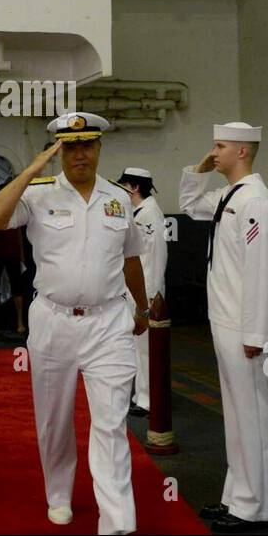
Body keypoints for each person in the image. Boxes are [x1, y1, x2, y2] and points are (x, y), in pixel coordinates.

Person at [0, 113, 150, 534]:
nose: (80, 154)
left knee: (110, 423)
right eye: (70, 147)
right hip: (53, 321)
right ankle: (58, 494)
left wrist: (143, 309)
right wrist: (32, 169)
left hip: (109, 322)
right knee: (54, 419)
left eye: (87, 145)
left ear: (99, 148)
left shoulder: (118, 199)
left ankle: (117, 521)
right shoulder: (38, 193)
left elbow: (130, 258)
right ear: (58, 151)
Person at [179, 121, 268, 533]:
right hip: (223, 320)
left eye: (219, 146)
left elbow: (260, 273)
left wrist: (256, 334)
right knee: (236, 416)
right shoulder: (228, 195)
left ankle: (257, 506)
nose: (214, 151)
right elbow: (188, 204)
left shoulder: (255, 201)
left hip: (243, 327)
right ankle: (237, 497)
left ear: (242, 151)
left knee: (252, 415)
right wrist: (198, 168)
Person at [116, 167, 167, 416]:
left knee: (146, 350)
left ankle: (147, 400)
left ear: (134, 188)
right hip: (133, 292)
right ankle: (140, 395)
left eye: (123, 185)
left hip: (146, 293)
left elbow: (156, 257)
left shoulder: (150, 215)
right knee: (136, 348)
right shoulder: (138, 212)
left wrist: (151, 297)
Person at [0, 176, 28, 334]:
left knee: (17, 287)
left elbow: (19, 233)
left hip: (12, 250)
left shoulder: (15, 205)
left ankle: (20, 322)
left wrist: (21, 253)